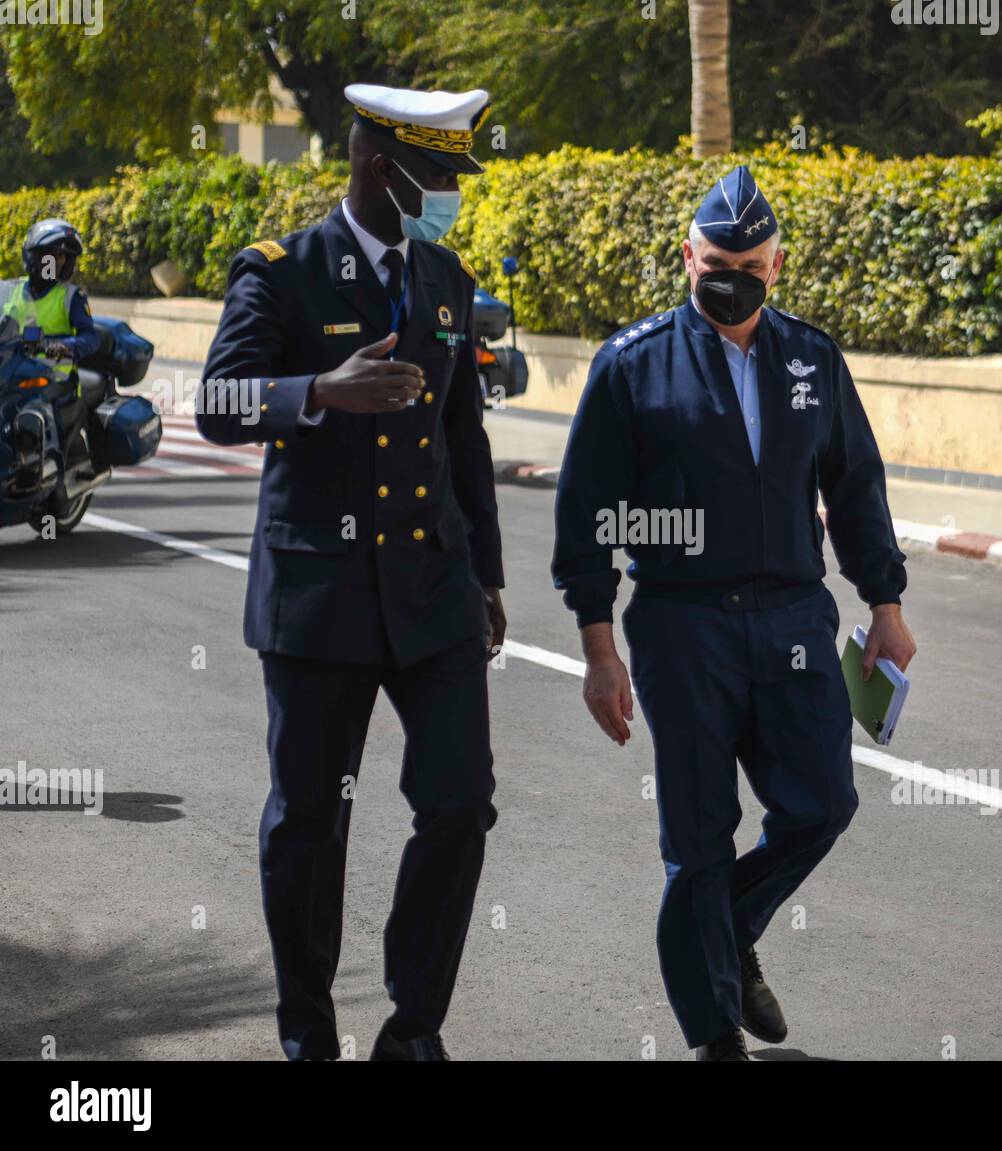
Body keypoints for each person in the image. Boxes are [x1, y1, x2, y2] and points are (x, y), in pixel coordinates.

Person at [551, 165, 917, 1060]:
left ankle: (728, 930)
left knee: (821, 805)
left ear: (776, 266)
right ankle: (714, 1033)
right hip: (683, 624)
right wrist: (599, 647)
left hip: (794, 617)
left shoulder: (813, 359)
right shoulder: (632, 364)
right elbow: (587, 515)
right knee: (699, 834)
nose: (731, 276)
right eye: (716, 259)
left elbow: (856, 485)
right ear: (687, 256)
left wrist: (887, 602)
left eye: (749, 263)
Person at [197, 83, 506, 1061]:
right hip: (319, 600)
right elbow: (214, 401)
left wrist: (488, 577)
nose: (451, 191)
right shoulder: (281, 273)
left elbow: (465, 440)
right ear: (383, 166)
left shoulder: (446, 279)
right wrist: (315, 391)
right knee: (310, 827)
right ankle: (309, 1035)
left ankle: (413, 1025)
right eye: (439, 174)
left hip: (433, 596)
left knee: (459, 801)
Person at [1, 219, 102, 462]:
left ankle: (55, 489)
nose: (60, 262)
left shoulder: (70, 296)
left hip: (56, 381)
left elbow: (91, 337)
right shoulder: (12, 290)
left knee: (40, 433)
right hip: (14, 372)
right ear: (34, 256)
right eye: (54, 255)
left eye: (64, 257)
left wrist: (66, 346)